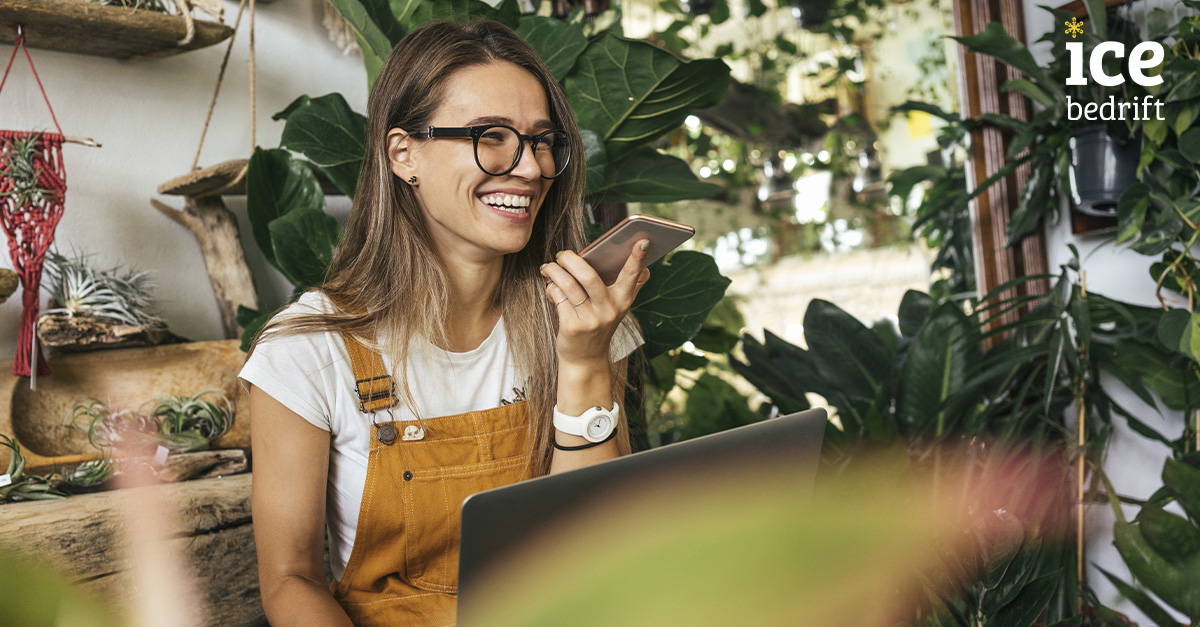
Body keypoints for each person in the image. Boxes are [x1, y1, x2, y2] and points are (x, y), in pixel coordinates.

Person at [237, 19, 650, 627]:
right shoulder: (308, 350)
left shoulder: (582, 315)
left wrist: (584, 360)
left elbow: (594, 548)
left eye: (540, 141)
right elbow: (291, 580)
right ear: (404, 154)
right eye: (491, 137)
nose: (531, 168)